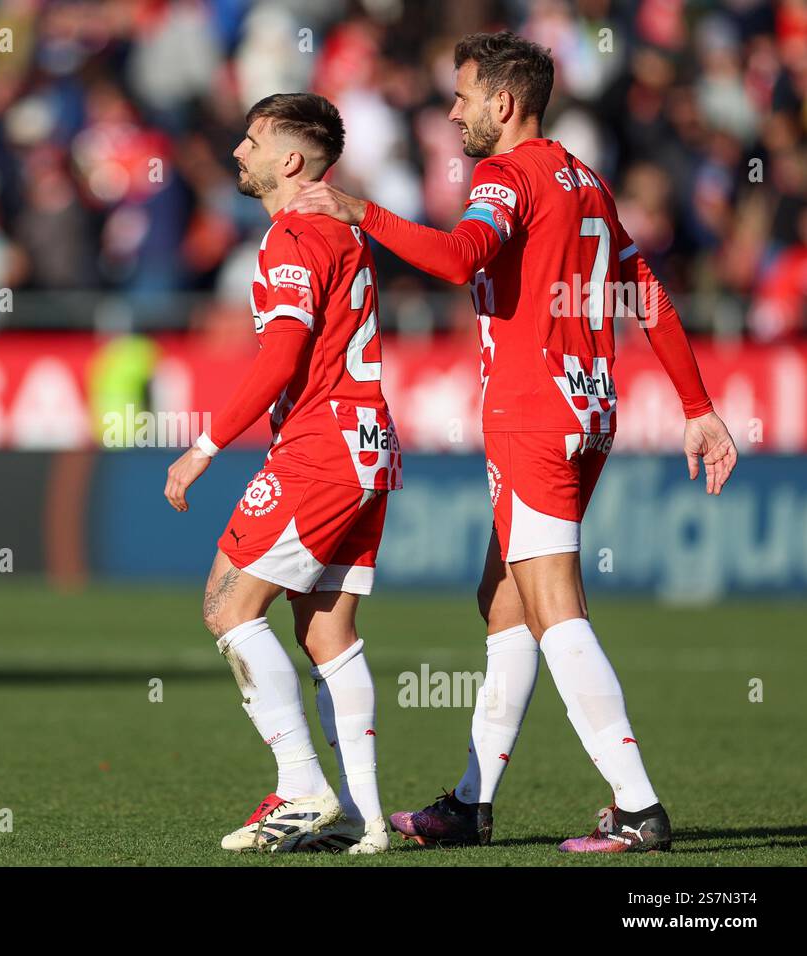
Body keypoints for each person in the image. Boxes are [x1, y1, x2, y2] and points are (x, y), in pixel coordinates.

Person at [285, 31, 738, 853]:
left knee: (556, 604)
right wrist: (697, 405)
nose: (452, 111)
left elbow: (462, 258)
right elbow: (648, 291)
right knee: (505, 602)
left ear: (504, 102)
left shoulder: (506, 175)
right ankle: (470, 802)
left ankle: (637, 806)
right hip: (588, 411)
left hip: (533, 415)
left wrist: (359, 210)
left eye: (462, 97)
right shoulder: (585, 177)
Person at [164, 92, 403, 854]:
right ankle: (365, 823)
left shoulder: (295, 235)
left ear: (290, 161)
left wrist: (204, 447)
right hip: (369, 445)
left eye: (252, 139)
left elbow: (281, 355)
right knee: (327, 630)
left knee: (228, 608)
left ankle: (301, 785)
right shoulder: (341, 232)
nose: (238, 150)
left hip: (322, 446)